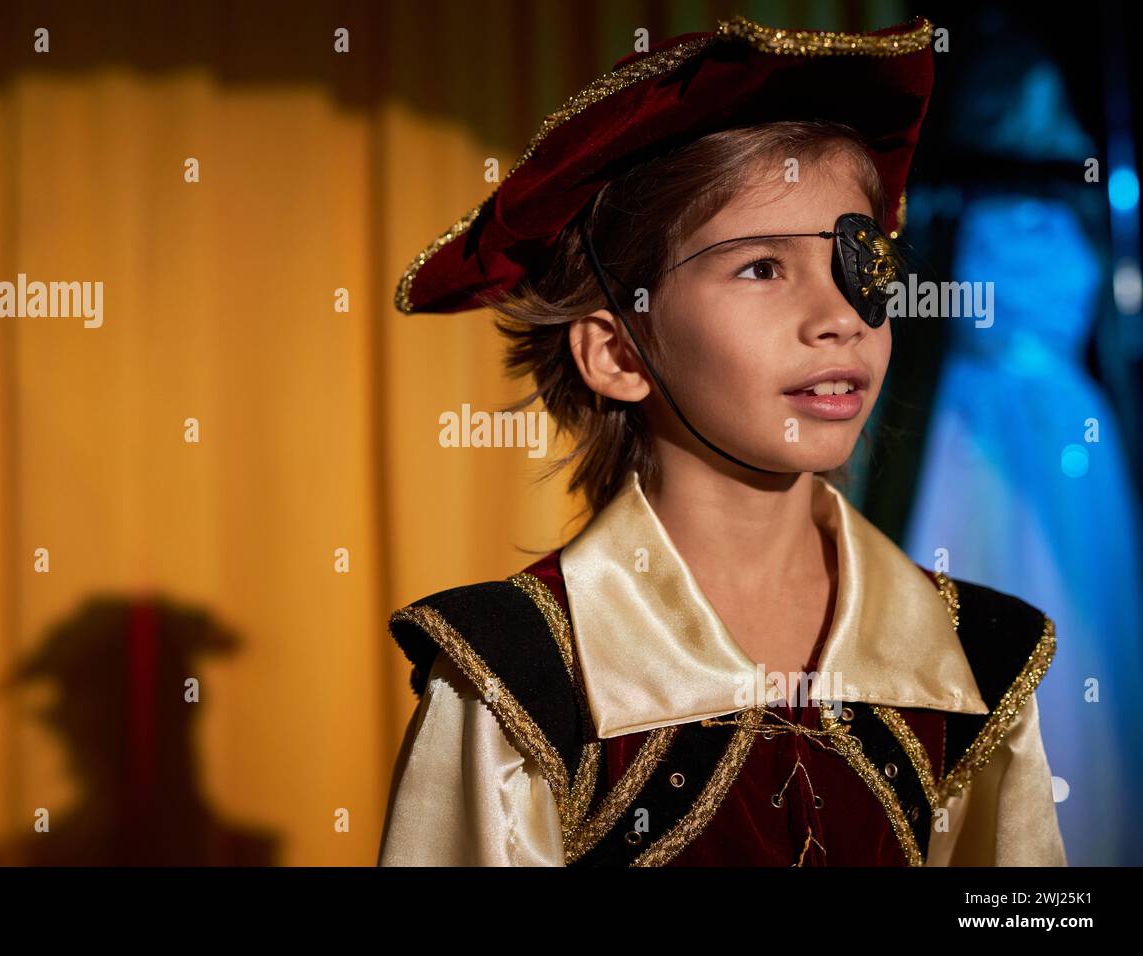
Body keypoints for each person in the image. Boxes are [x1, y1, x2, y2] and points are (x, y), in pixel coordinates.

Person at [377, 15, 1067, 867]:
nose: (841, 318)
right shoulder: (515, 682)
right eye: (761, 267)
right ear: (619, 351)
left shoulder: (980, 664)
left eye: (862, 263)